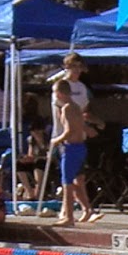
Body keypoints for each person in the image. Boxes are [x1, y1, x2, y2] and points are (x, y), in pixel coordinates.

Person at [49, 79, 96, 227]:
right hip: (80, 147)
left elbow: (70, 130)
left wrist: (56, 140)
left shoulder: (67, 109)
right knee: (76, 181)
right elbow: (81, 127)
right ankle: (86, 209)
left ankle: (68, 216)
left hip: (71, 148)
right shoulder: (76, 107)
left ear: (60, 94)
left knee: (67, 183)